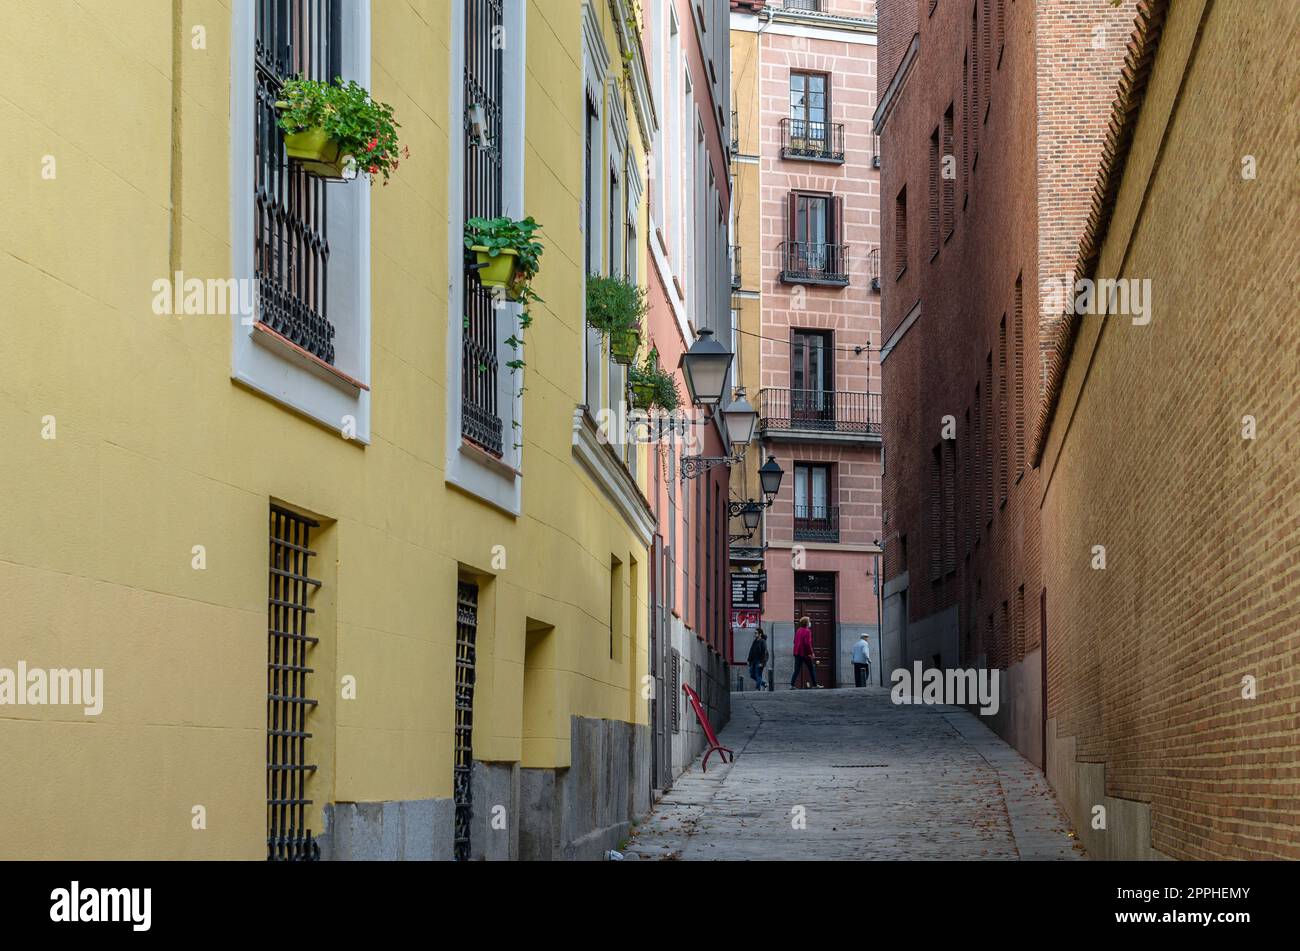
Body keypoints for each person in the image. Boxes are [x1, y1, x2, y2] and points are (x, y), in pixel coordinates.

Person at [790, 616, 820, 689]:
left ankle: (792, 685)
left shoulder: (798, 630)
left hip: (797, 652)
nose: (810, 623)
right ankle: (815, 684)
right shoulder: (807, 631)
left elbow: (794, 641)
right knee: (811, 669)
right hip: (805, 653)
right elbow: (807, 643)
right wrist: (811, 653)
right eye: (809, 621)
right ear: (806, 623)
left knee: (796, 669)